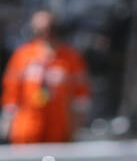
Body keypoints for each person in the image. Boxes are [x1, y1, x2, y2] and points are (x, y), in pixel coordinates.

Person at [1, 10, 89, 144]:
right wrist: (7, 118)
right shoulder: (23, 55)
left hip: (59, 128)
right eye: (39, 30)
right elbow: (11, 90)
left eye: (49, 29)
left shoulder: (70, 57)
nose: (45, 34)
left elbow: (81, 92)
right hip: (27, 129)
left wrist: (78, 122)